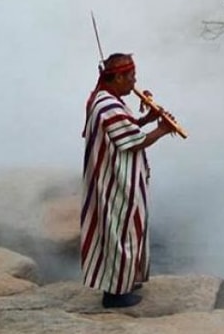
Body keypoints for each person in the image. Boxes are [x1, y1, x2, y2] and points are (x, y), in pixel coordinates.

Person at [80, 52, 178, 308]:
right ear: (119, 76)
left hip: (120, 178)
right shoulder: (108, 105)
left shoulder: (107, 99)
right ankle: (115, 293)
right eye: (131, 77)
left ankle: (125, 280)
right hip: (116, 182)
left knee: (127, 229)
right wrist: (162, 130)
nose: (135, 83)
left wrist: (147, 118)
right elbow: (134, 141)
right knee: (120, 232)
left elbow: (128, 126)